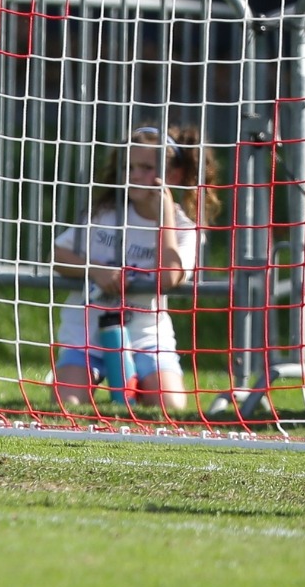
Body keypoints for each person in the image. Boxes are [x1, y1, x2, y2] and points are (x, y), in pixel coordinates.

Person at [50, 125, 209, 415]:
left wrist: (164, 216)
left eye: (146, 167)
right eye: (129, 167)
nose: (134, 175)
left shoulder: (185, 230)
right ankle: (86, 374)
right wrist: (95, 270)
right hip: (88, 336)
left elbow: (169, 277)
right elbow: (59, 254)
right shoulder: (104, 214)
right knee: (66, 405)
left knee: (171, 406)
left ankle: (134, 380)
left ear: (172, 175)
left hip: (148, 339)